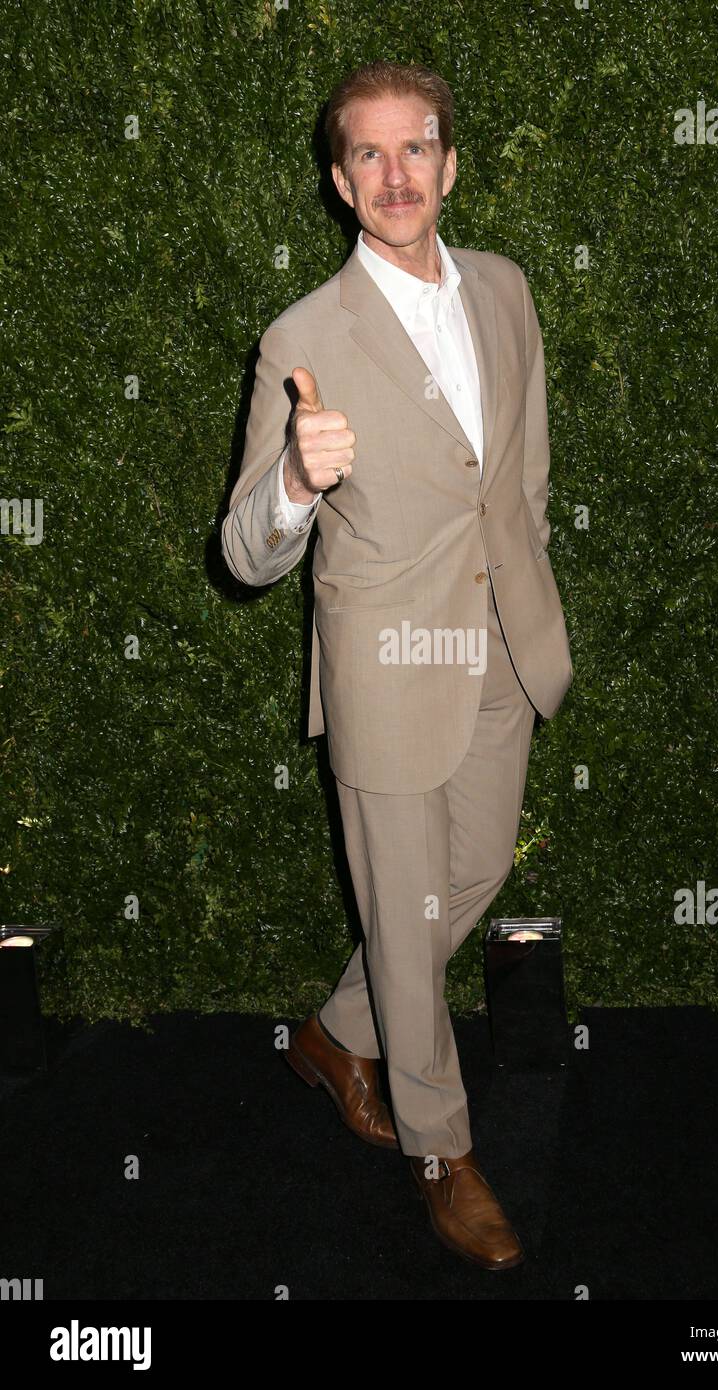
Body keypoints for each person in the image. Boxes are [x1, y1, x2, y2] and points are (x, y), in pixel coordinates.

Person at [221, 60, 573, 1271]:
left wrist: (526, 591)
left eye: (413, 147)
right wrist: (293, 481)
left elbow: (517, 469)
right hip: (382, 666)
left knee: (461, 882)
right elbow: (243, 552)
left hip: (500, 649)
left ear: (449, 163)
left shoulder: (508, 292)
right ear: (338, 182)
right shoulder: (302, 338)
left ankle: (334, 1032)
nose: (393, 174)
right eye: (365, 156)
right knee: (407, 904)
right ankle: (444, 1152)